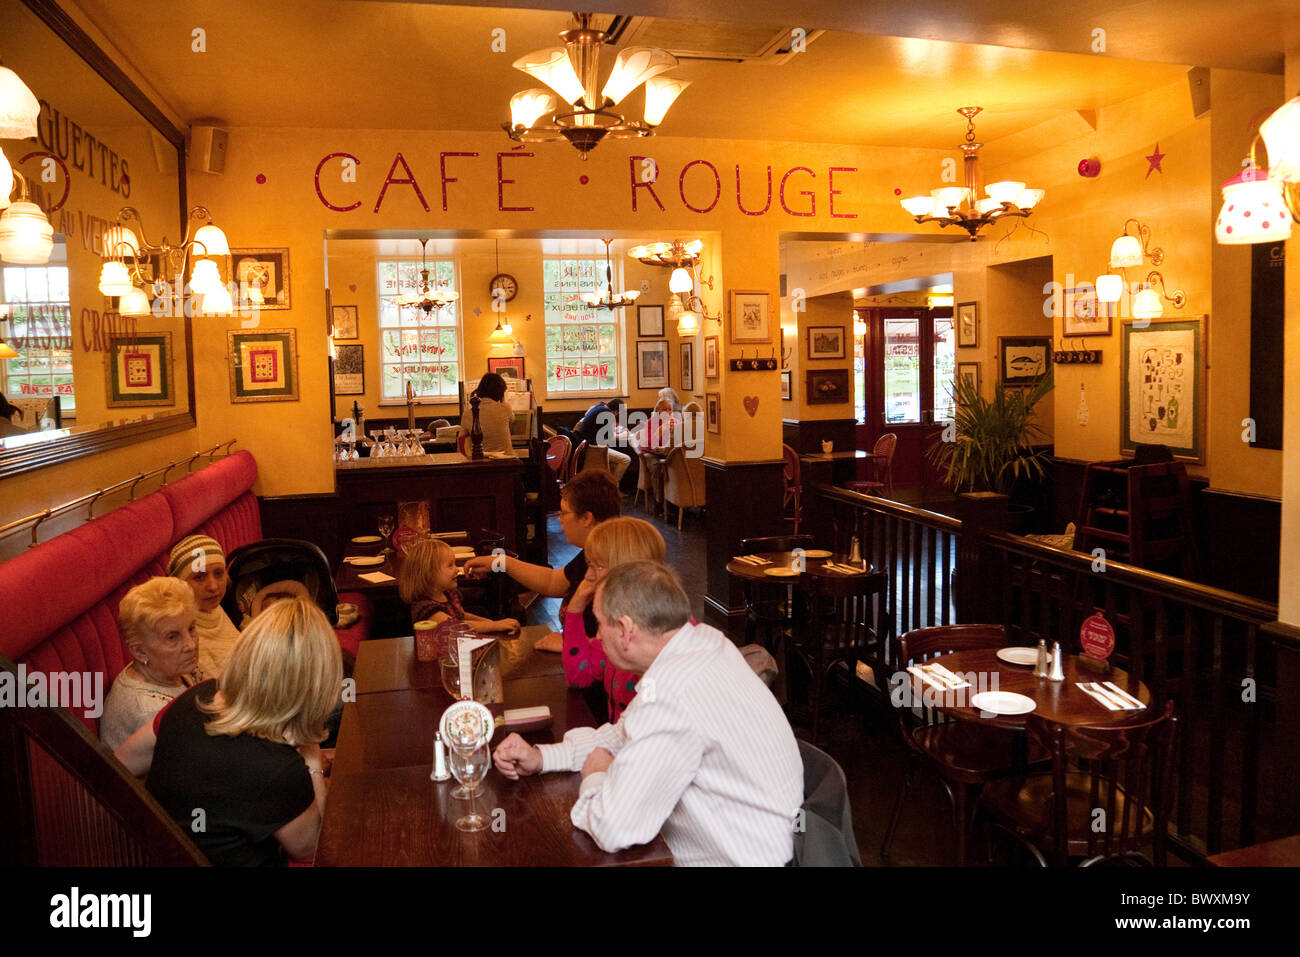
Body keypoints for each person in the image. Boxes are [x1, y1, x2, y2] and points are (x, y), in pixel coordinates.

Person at [493, 561, 803, 866]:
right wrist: (542, 757)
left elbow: (614, 827)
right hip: (771, 844)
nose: (598, 636)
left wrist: (597, 775)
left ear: (626, 630)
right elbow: (622, 732)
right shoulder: (703, 642)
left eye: (600, 623)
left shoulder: (672, 696)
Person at [130, 598, 341, 866]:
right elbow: (314, 850)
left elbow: (118, 764)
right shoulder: (276, 768)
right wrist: (311, 759)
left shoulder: (196, 696)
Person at [463, 468, 620, 642]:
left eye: (564, 512)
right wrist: (500, 562)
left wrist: (572, 643)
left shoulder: (613, 561)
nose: (559, 518)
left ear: (586, 518)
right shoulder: (597, 551)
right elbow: (553, 582)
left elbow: (623, 638)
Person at [561, 517, 665, 722]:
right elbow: (578, 677)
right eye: (588, 565)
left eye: (596, 566)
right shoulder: (615, 623)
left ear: (626, 571)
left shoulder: (653, 638)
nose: (588, 576)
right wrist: (575, 609)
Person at [100, 578, 199, 752]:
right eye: (172, 637)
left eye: (191, 628)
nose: (191, 645)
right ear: (140, 652)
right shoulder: (149, 712)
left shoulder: (163, 668)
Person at [399, 536, 519, 633]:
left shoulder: (447, 594)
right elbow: (458, 627)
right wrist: (495, 626)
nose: (457, 569)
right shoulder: (425, 608)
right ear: (429, 574)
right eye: (450, 565)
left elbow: (462, 616)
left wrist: (493, 623)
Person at [168, 534, 240, 679]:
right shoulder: (185, 636)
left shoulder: (212, 607)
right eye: (199, 577)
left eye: (219, 574)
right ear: (180, 585)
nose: (213, 587)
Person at [572, 397, 631, 483]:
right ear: (615, 411)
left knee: (614, 461)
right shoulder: (607, 414)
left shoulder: (599, 407)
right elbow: (610, 438)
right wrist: (624, 435)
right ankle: (612, 486)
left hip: (583, 445)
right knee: (625, 459)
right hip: (592, 449)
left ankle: (608, 485)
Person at [462, 371, 513, 453]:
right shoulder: (505, 408)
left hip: (480, 460)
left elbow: (462, 436)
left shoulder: (467, 414)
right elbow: (511, 420)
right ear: (500, 393)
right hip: (506, 459)